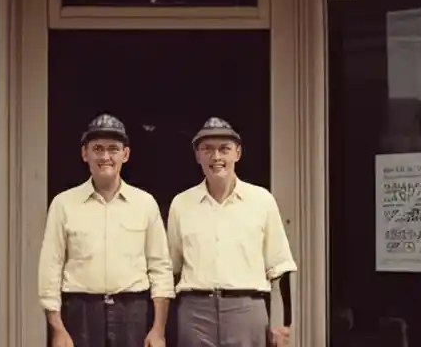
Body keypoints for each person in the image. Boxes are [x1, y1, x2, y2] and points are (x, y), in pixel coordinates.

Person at [39, 113, 175, 347]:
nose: (105, 156)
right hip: (80, 313)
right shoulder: (64, 204)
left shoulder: (145, 204)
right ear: (85, 154)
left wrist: (158, 329)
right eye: (97, 149)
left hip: (132, 312)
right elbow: (51, 266)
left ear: (126, 154)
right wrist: (57, 328)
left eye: (113, 149)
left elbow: (160, 267)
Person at [167, 118, 296, 347]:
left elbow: (279, 268)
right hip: (195, 312)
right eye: (207, 149)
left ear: (237, 153)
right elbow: (171, 269)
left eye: (224, 149)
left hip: (246, 309)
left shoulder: (261, 200)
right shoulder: (181, 204)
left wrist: (282, 323)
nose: (216, 157)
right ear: (197, 155)